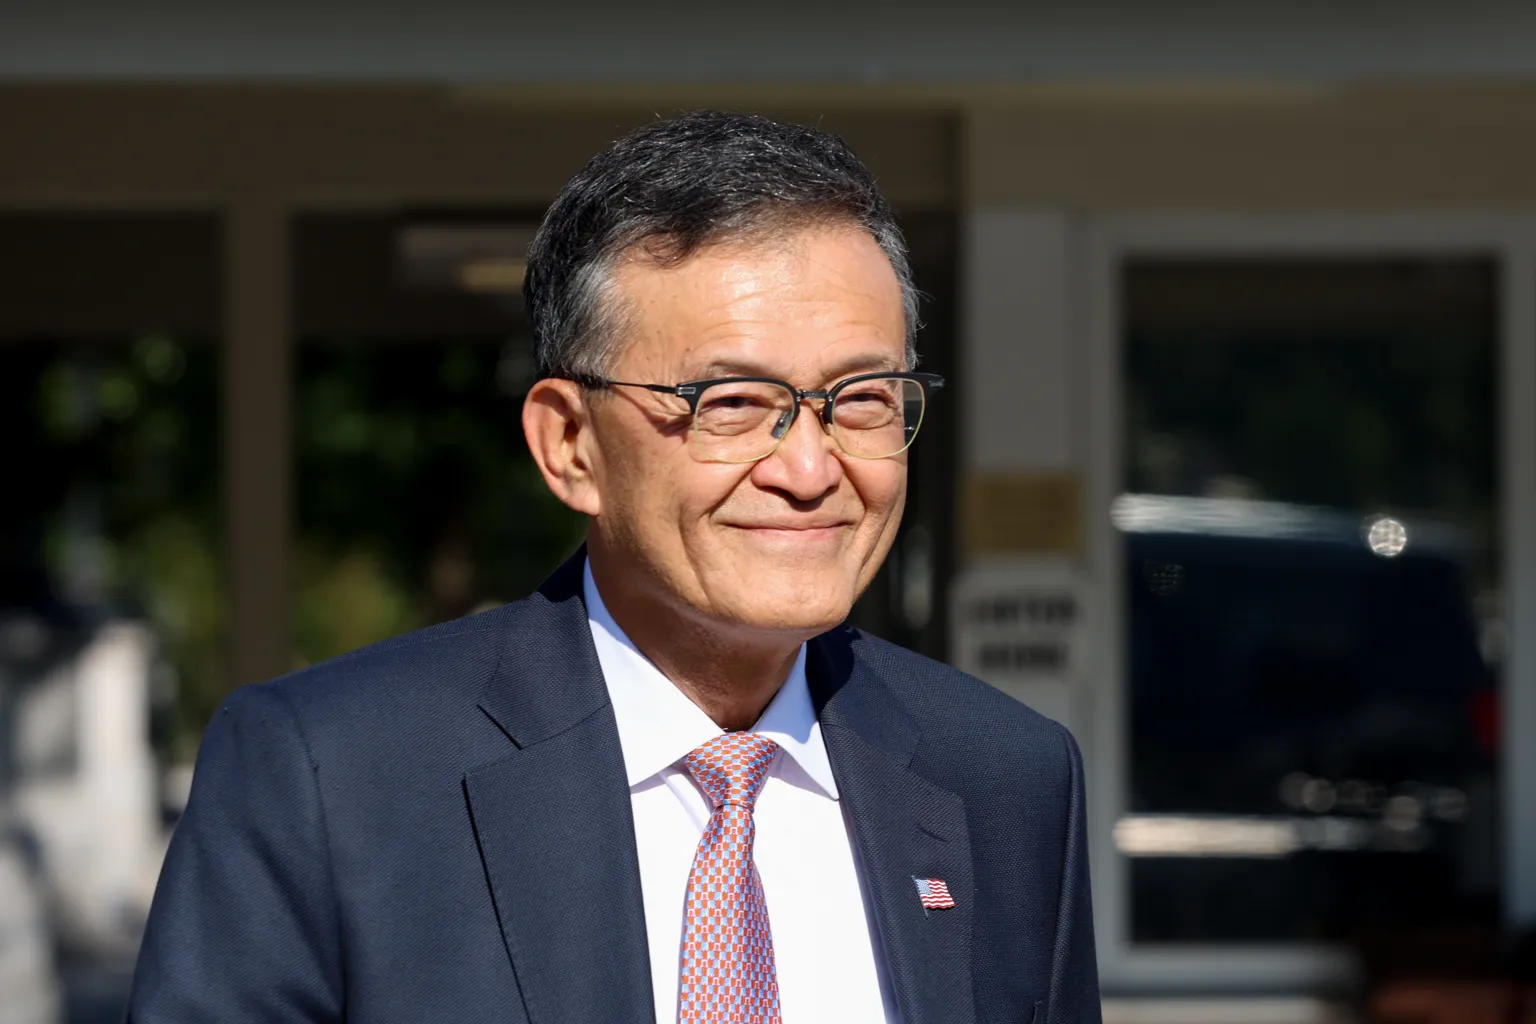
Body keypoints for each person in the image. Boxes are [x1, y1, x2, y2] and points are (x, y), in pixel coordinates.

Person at [127, 111, 1099, 1024]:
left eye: (862, 399)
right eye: (731, 403)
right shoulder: (331, 778)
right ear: (570, 445)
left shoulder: (1006, 779)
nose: (810, 470)